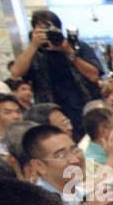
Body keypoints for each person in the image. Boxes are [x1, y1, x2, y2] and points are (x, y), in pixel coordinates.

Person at [10, 9, 104, 140]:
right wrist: (33, 45)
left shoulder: (77, 46)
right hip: (49, 115)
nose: (47, 34)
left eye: (50, 29)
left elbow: (94, 76)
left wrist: (69, 52)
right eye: (41, 30)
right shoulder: (35, 53)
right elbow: (15, 73)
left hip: (83, 110)